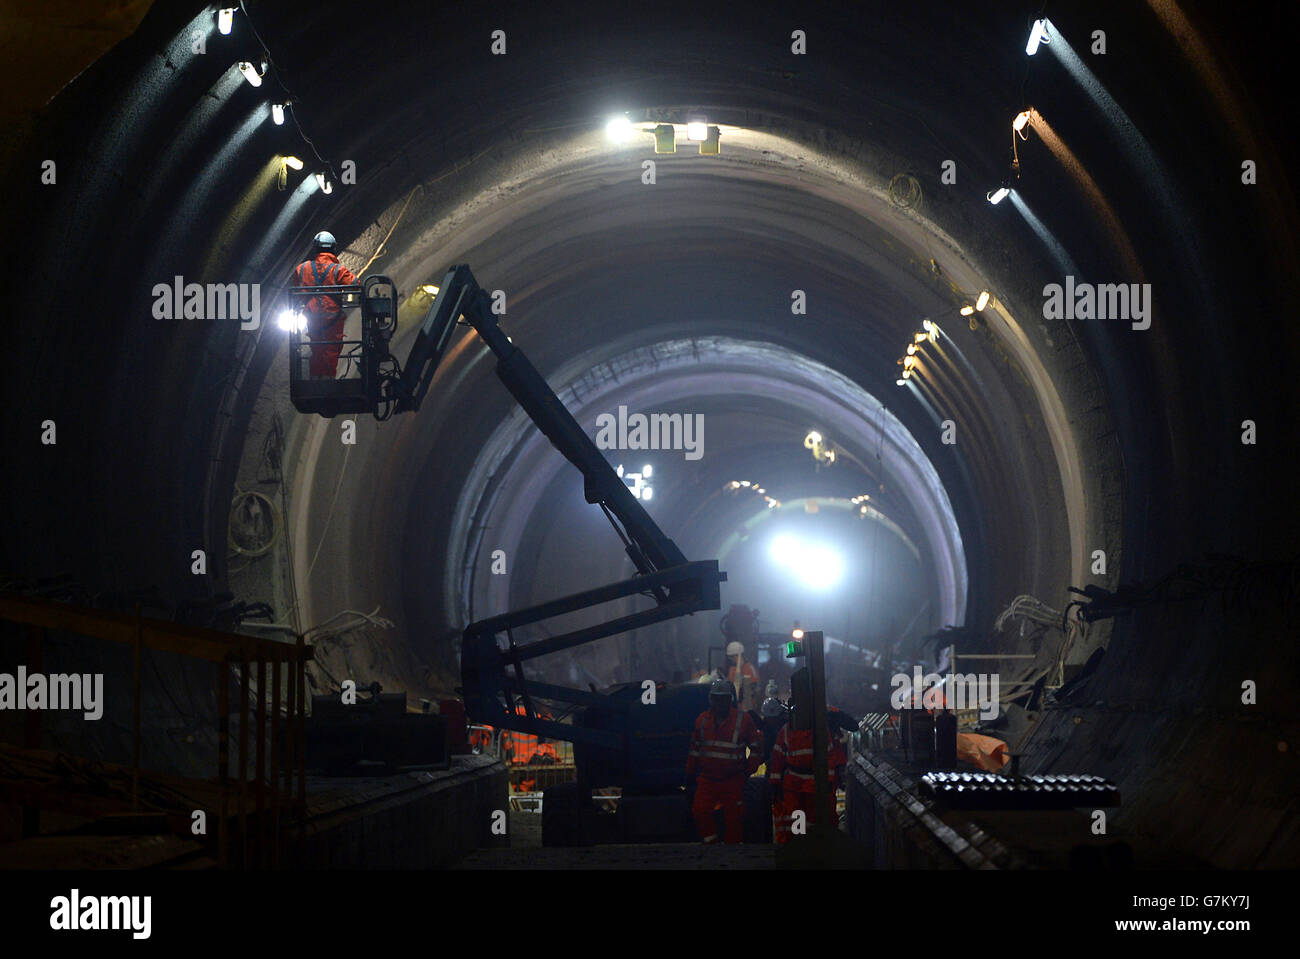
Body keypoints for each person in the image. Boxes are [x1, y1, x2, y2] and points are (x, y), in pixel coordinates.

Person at [686, 680, 762, 844]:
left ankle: (733, 855)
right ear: (711, 699)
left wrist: (746, 771)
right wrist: (690, 772)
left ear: (729, 700)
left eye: (723, 698)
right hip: (708, 780)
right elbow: (695, 749)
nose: (720, 702)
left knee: (734, 819)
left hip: (733, 780)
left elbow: (756, 748)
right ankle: (711, 846)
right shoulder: (703, 720)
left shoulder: (743, 720)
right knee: (700, 811)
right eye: (716, 698)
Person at [292, 231, 357, 379]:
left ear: (315, 248)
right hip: (332, 317)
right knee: (331, 349)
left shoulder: (302, 268)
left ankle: (316, 379)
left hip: (312, 316)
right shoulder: (337, 270)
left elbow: (295, 287)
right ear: (334, 249)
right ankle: (328, 381)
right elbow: (355, 284)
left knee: (317, 347)